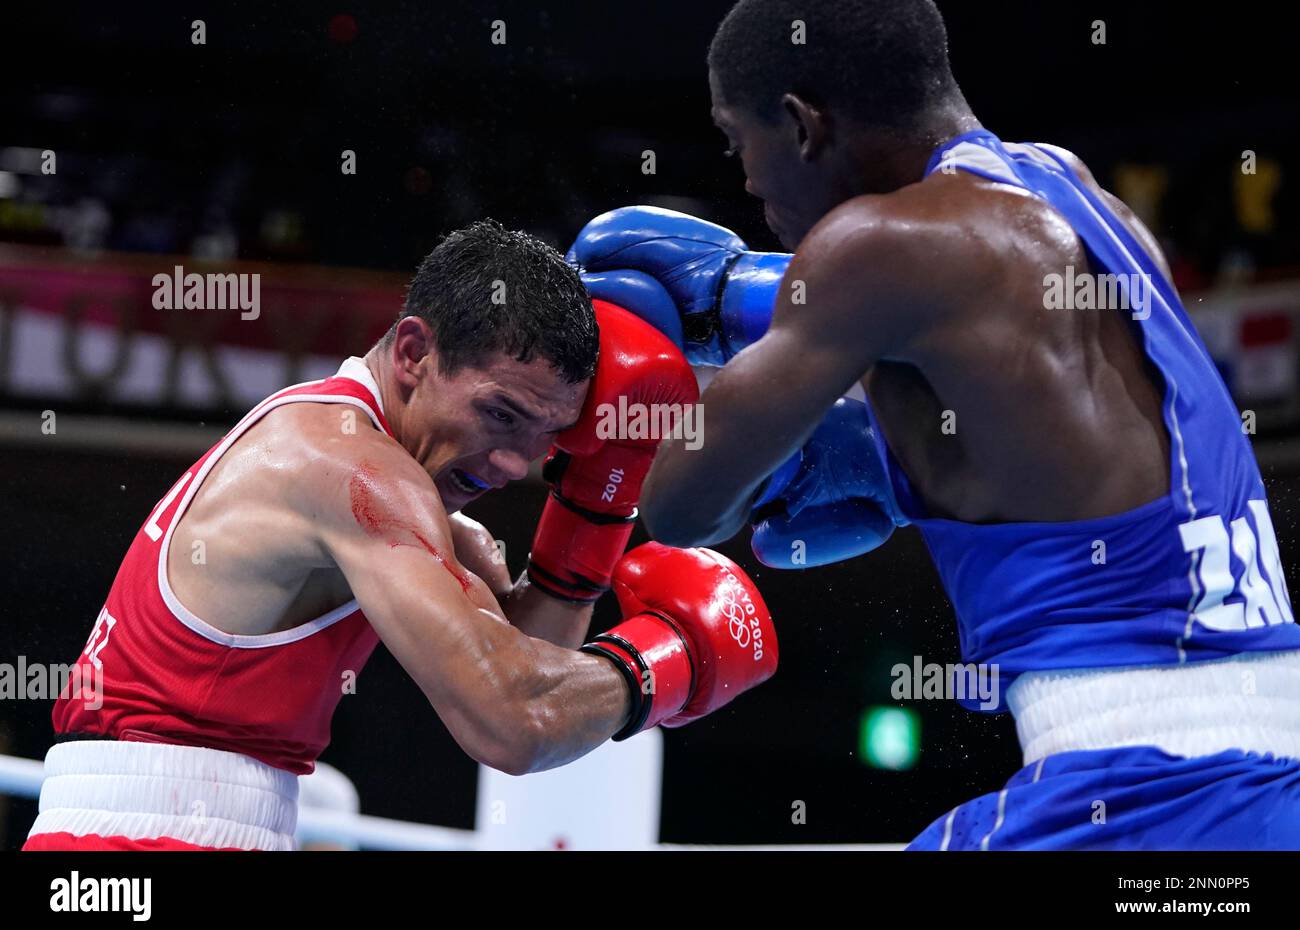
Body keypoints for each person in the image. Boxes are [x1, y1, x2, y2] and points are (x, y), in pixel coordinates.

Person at [570, 0, 1300, 849]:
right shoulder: (1076, 191)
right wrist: (886, 458)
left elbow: (685, 504)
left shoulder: (872, 247)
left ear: (804, 125)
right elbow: (1068, 449)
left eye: (739, 144)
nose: (747, 182)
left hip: (1141, 791)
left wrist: (708, 328)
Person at [24, 220, 777, 851]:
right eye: (502, 414)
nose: (517, 462)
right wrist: (666, 660)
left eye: (550, 437)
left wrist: (593, 505)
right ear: (415, 353)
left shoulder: (397, 496)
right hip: (141, 839)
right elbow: (512, 721)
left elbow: (536, 672)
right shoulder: (348, 470)